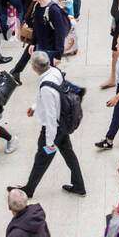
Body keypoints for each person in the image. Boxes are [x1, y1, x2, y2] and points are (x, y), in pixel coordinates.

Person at [13, 51, 85, 198]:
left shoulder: (46, 87)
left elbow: (51, 116)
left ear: (33, 67)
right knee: (68, 153)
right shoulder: (55, 72)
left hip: (54, 128)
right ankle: (79, 185)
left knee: (41, 159)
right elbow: (55, 97)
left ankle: (29, 189)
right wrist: (34, 107)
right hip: (64, 122)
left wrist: (49, 141)